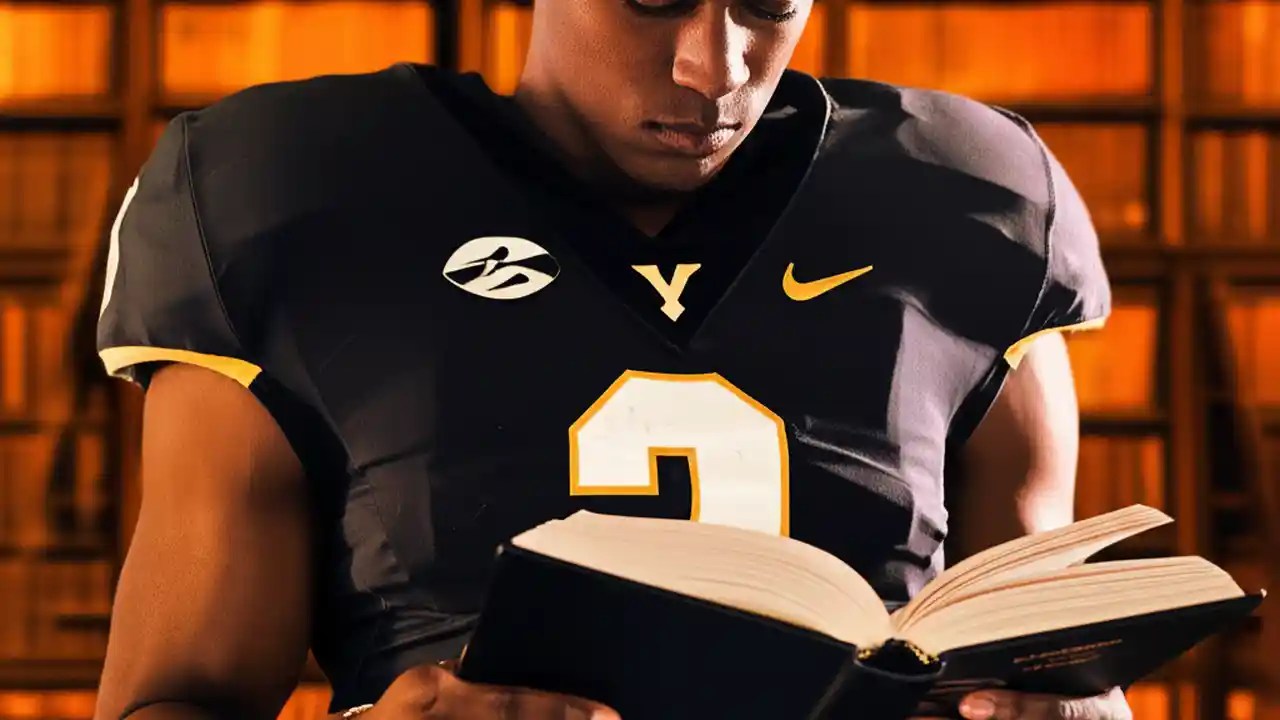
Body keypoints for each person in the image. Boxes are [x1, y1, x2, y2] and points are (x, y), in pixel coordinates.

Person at [91, 1, 1133, 718]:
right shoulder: (289, 190)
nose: (714, 68)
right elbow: (168, 698)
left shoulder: (974, 198)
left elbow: (1048, 660)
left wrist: (1084, 710)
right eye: (650, 0)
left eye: (768, 4)